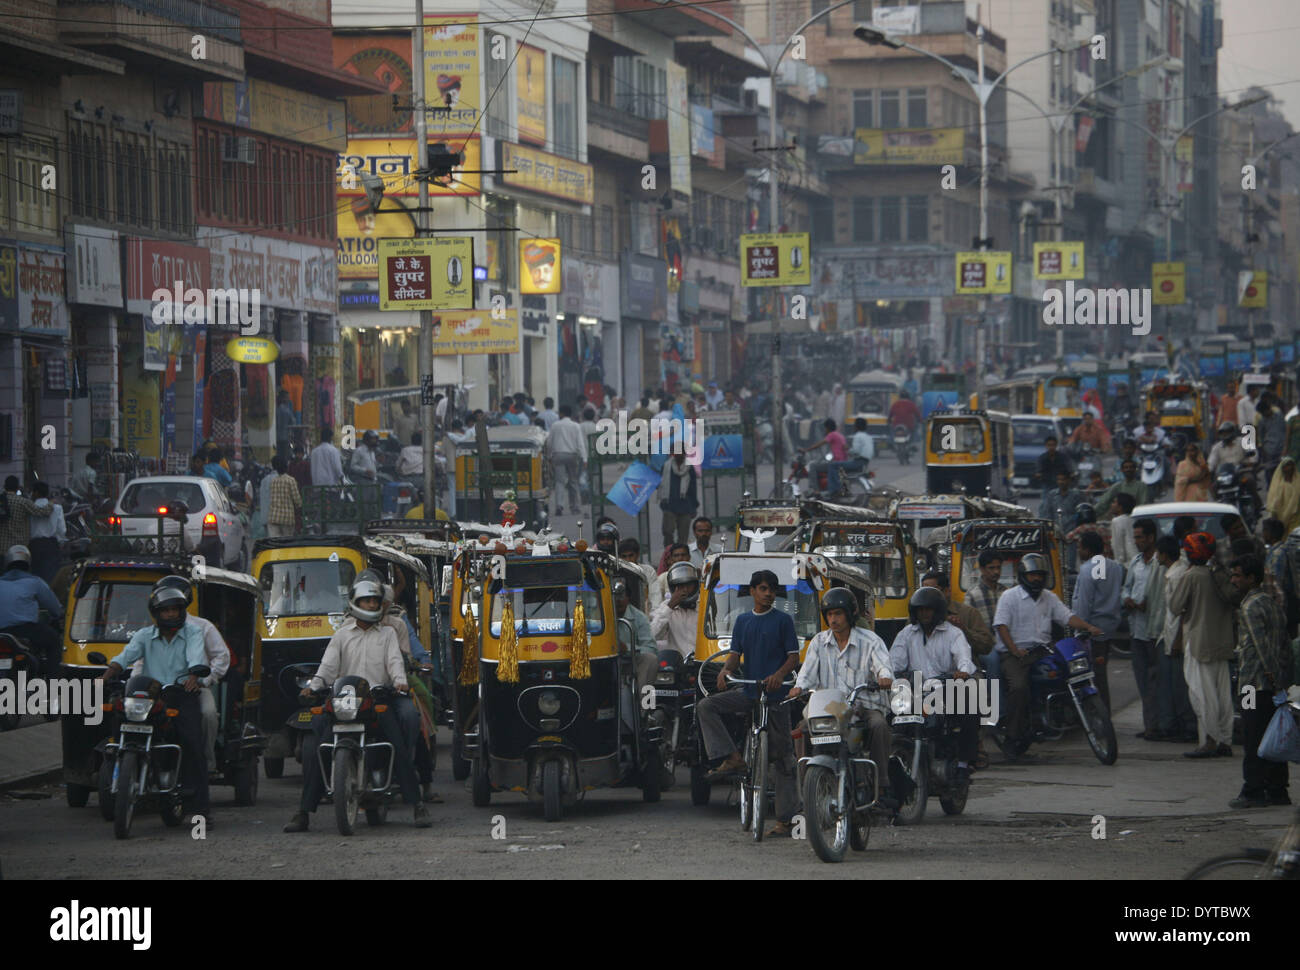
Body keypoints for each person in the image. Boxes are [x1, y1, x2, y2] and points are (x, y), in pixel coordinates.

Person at [284, 577, 430, 831]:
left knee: (398, 744)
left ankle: (417, 804)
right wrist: (314, 687)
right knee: (319, 748)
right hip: (344, 704)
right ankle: (303, 812)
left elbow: (395, 662)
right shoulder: (342, 635)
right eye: (367, 600)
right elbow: (328, 667)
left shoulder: (388, 634)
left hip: (378, 701)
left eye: (375, 600)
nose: (372, 604)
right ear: (355, 602)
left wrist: (399, 681)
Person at [696, 570, 800, 837]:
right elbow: (734, 654)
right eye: (763, 589)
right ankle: (732, 758)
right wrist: (725, 671)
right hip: (749, 691)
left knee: (784, 760)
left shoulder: (783, 621)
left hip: (776, 696)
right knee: (706, 706)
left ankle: (785, 821)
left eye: (772, 590)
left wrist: (778, 675)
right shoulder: (743, 621)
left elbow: (793, 656)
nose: (768, 594)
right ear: (752, 591)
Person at [99, 583, 211, 821]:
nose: (171, 614)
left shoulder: (193, 633)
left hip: (181, 693)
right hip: (151, 694)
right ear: (156, 613)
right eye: (165, 610)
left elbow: (196, 656)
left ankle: (200, 808)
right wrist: (105, 677)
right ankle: (115, 777)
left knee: (192, 741)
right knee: (116, 724)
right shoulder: (144, 635)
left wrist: (194, 675)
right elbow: (124, 657)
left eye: (175, 609)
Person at [992, 553, 1104, 759]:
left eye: (1040, 575)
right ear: (1023, 575)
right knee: (1019, 687)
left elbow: (1067, 617)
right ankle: (1012, 735)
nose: (1037, 579)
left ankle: (1059, 715)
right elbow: (1001, 626)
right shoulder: (1010, 596)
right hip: (1015, 654)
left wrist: (1089, 627)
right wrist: (1015, 650)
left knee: (1066, 674)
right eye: (1033, 574)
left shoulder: (1049, 597)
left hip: (1043, 651)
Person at [788, 587, 896, 791]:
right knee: (802, 729)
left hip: (863, 706)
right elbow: (807, 673)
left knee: (879, 725)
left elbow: (883, 665)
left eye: (838, 613)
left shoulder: (870, 640)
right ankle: (807, 787)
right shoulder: (819, 642)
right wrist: (799, 687)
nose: (833, 619)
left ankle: (881, 785)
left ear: (850, 613)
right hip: (829, 709)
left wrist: (884, 677)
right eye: (829, 614)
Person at [139, 576, 231, 775]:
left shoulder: (202, 627)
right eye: (165, 606)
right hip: (159, 690)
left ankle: (205, 762)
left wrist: (203, 680)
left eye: (173, 606)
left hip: (193, 689)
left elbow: (221, 657)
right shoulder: (151, 631)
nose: (169, 611)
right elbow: (140, 661)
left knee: (207, 715)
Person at [889, 586, 979, 788]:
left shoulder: (953, 633)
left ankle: (964, 764)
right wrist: (889, 674)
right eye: (920, 610)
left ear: (938, 610)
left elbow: (964, 656)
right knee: (893, 723)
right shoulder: (906, 634)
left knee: (970, 708)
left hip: (946, 689)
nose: (924, 613)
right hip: (914, 691)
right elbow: (894, 661)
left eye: (928, 609)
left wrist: (962, 671)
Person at [1229, 554, 1294, 808]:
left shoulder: (1250, 606)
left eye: (1237, 576)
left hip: (1252, 684)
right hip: (1274, 685)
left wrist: (1272, 675)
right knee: (1273, 737)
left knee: (1253, 737)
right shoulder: (1272, 603)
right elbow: (1285, 645)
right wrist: (1283, 680)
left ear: (1251, 578)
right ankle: (1278, 790)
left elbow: (1262, 646)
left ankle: (1253, 790)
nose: (1234, 580)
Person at [1167, 532, 1237, 759]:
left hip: (1198, 643)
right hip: (1223, 643)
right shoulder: (1220, 574)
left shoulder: (1192, 576)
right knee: (1223, 696)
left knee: (1202, 695)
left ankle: (1209, 741)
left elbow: (1176, 607)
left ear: (1189, 553)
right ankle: (1225, 740)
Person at [1152, 535, 1198, 743]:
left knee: (1181, 687)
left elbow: (1182, 609)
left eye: (1157, 552)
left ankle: (1188, 728)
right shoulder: (1172, 572)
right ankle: (1176, 726)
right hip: (1169, 636)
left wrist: (1178, 639)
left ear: (1163, 554)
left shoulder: (1178, 574)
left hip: (1178, 638)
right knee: (1171, 685)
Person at [1072, 531, 1123, 712]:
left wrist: (1079, 629)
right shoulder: (1115, 567)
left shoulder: (1087, 570)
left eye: (1080, 547)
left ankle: (1101, 717)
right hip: (1108, 629)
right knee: (1100, 675)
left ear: (1086, 549)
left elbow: (1084, 603)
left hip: (1091, 632)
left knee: (1093, 678)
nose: (1078, 551)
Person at [1122, 518, 1161, 738]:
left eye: (1139, 537)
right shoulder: (1136, 563)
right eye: (1135, 537)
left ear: (1150, 538)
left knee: (1157, 681)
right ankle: (1149, 725)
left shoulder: (1159, 563)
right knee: (1143, 682)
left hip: (1154, 631)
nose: (1136, 541)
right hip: (1136, 629)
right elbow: (1125, 589)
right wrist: (1127, 599)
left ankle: (1158, 724)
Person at [0, 545, 65, 676]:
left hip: (2, 632)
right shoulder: (35, 582)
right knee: (54, 642)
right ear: (28, 563)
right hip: (26, 631)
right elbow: (56, 609)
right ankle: (54, 684)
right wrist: (58, 615)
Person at [649, 561, 700, 659]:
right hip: (678, 665)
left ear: (696, 585)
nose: (685, 590)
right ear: (673, 588)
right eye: (680, 586)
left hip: (703, 662)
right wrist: (670, 606)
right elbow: (652, 635)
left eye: (688, 585)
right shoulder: (666, 606)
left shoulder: (704, 606)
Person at [614, 579, 657, 691]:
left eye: (622, 596)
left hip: (630, 664)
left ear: (628, 598)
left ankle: (644, 706)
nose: (618, 601)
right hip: (605, 664)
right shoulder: (596, 615)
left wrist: (627, 648)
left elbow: (651, 649)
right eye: (615, 597)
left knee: (650, 659)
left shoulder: (639, 617)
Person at [544, 404, 586, 517]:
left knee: (559, 482)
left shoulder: (555, 425)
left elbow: (549, 443)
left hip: (558, 456)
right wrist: (584, 458)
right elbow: (580, 443)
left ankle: (559, 506)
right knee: (573, 481)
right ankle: (575, 507)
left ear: (561, 414)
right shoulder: (576, 426)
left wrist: (548, 456)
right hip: (572, 456)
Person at [0, 476, 53, 551]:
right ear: (17, 488)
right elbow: (43, 512)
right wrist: (51, 503)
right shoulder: (23, 502)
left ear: (5, 486)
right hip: (18, 546)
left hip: (2, 546)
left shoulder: (1, 501)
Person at [658, 452, 699, 548]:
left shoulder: (689, 467)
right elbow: (660, 483)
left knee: (683, 537)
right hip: (669, 505)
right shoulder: (666, 466)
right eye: (676, 452)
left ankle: (681, 558)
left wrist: (694, 507)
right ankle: (669, 554)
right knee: (667, 533)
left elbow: (693, 487)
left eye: (681, 452)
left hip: (685, 506)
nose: (678, 454)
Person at [27, 482, 65, 585]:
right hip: (51, 544)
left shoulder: (30, 508)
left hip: (34, 545)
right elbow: (62, 530)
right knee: (51, 577)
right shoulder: (57, 508)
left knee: (36, 576)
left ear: (36, 493)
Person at [800, 418, 848, 496]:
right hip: (842, 461)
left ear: (827, 428)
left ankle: (816, 491)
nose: (824, 430)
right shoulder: (839, 435)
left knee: (813, 466)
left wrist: (806, 450)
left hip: (836, 462)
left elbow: (820, 444)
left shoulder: (831, 435)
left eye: (825, 428)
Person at [266, 455, 302, 538]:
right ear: (286, 467)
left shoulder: (273, 481)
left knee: (275, 545)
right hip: (287, 519)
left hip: (273, 517)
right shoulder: (291, 480)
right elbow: (297, 500)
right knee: (286, 544)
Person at [1266, 457, 1300, 534]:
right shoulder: (1278, 485)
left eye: (1290, 465)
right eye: (1286, 466)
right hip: (1281, 517)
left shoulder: (1298, 482)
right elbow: (1274, 503)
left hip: (1296, 518)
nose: (1288, 468)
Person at [1107, 492, 1137, 570]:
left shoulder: (1116, 521)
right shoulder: (1132, 519)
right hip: (1137, 561)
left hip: (1126, 566)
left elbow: (1118, 549)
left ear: (1120, 507)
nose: (1112, 505)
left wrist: (1119, 566)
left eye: (1114, 502)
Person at [276, 390, 296, 457]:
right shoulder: (287, 410)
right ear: (283, 398)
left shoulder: (276, 410)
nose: (288, 399)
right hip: (285, 438)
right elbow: (293, 423)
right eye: (287, 397)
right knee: (285, 456)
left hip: (277, 438)